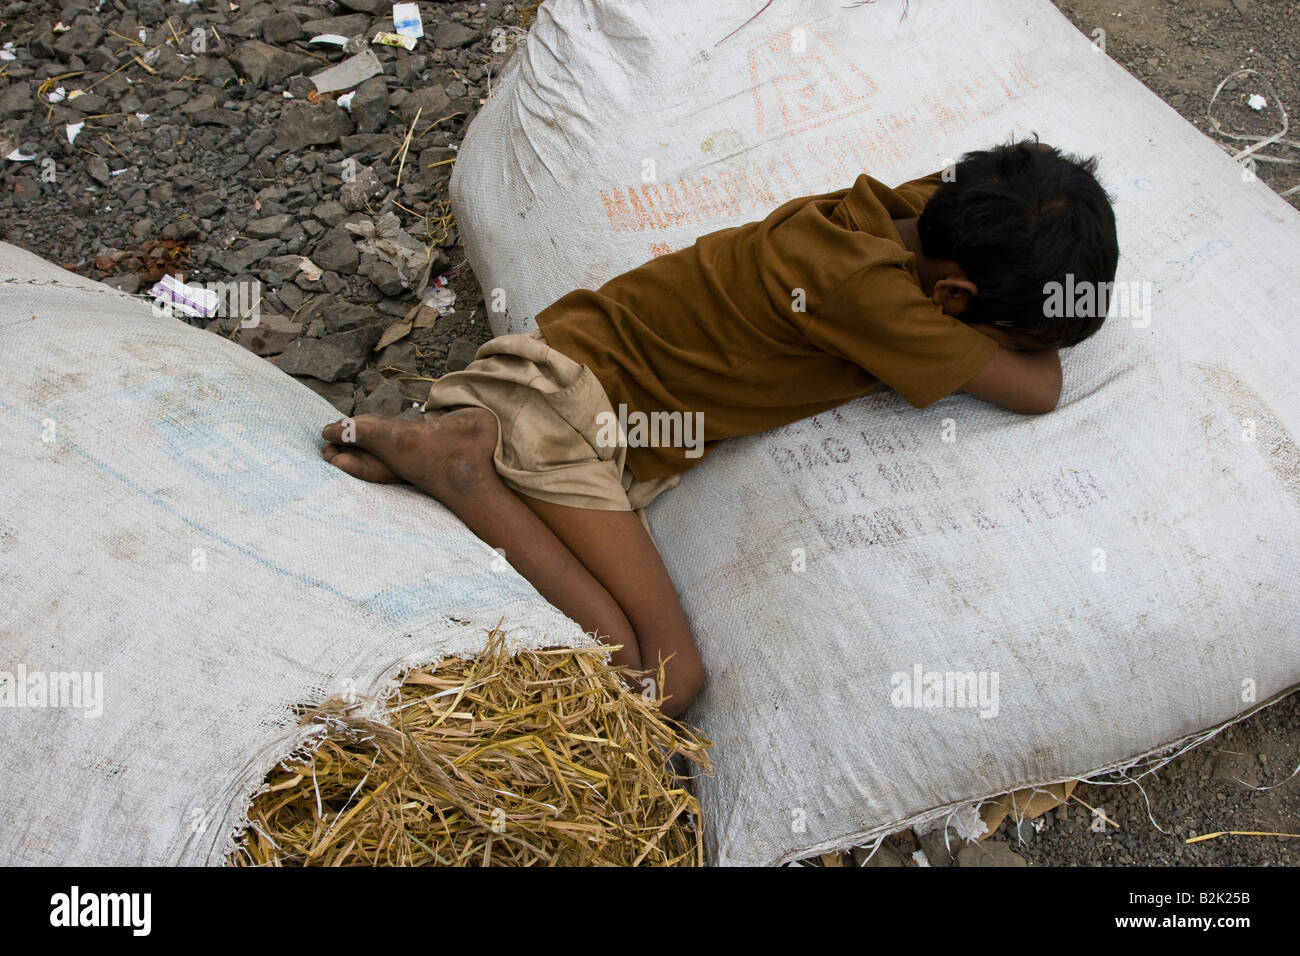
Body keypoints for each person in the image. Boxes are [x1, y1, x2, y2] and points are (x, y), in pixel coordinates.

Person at [320, 138, 1120, 718]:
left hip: (559, 388)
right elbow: (1037, 388)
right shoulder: (873, 296)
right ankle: (461, 465)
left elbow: (1009, 200)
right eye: (1005, 330)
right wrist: (1011, 343)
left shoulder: (910, 209)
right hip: (563, 414)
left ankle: (466, 447)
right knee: (664, 680)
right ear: (951, 298)